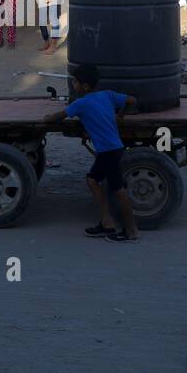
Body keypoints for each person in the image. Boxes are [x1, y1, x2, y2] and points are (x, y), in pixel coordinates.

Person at [43, 63, 140, 243]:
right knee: (92, 180)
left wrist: (47, 118)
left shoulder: (81, 103)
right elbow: (132, 100)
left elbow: (60, 116)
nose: (73, 84)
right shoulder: (108, 95)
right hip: (111, 149)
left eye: (75, 82)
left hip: (109, 151)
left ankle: (131, 231)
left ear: (85, 86)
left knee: (118, 189)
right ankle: (107, 222)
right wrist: (121, 115)